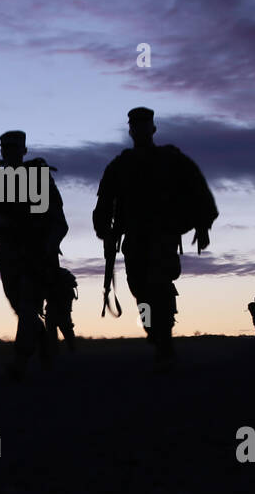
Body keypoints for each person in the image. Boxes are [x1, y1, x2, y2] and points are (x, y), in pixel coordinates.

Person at [93, 107, 218, 370]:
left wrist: (202, 225)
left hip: (163, 233)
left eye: (144, 125)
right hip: (134, 236)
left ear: (153, 129)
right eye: (135, 125)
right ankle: (155, 331)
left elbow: (198, 189)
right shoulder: (121, 164)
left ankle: (165, 341)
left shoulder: (171, 159)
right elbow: (104, 200)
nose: (139, 129)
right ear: (130, 131)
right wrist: (105, 231)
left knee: (159, 283)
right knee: (139, 287)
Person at [0, 131, 68, 379]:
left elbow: (59, 222)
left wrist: (48, 247)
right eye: (6, 148)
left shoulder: (39, 181)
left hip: (36, 255)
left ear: (23, 151)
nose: (10, 152)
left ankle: (20, 360)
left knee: (27, 306)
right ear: (1, 151)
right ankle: (45, 344)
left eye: (15, 148)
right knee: (20, 307)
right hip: (9, 256)